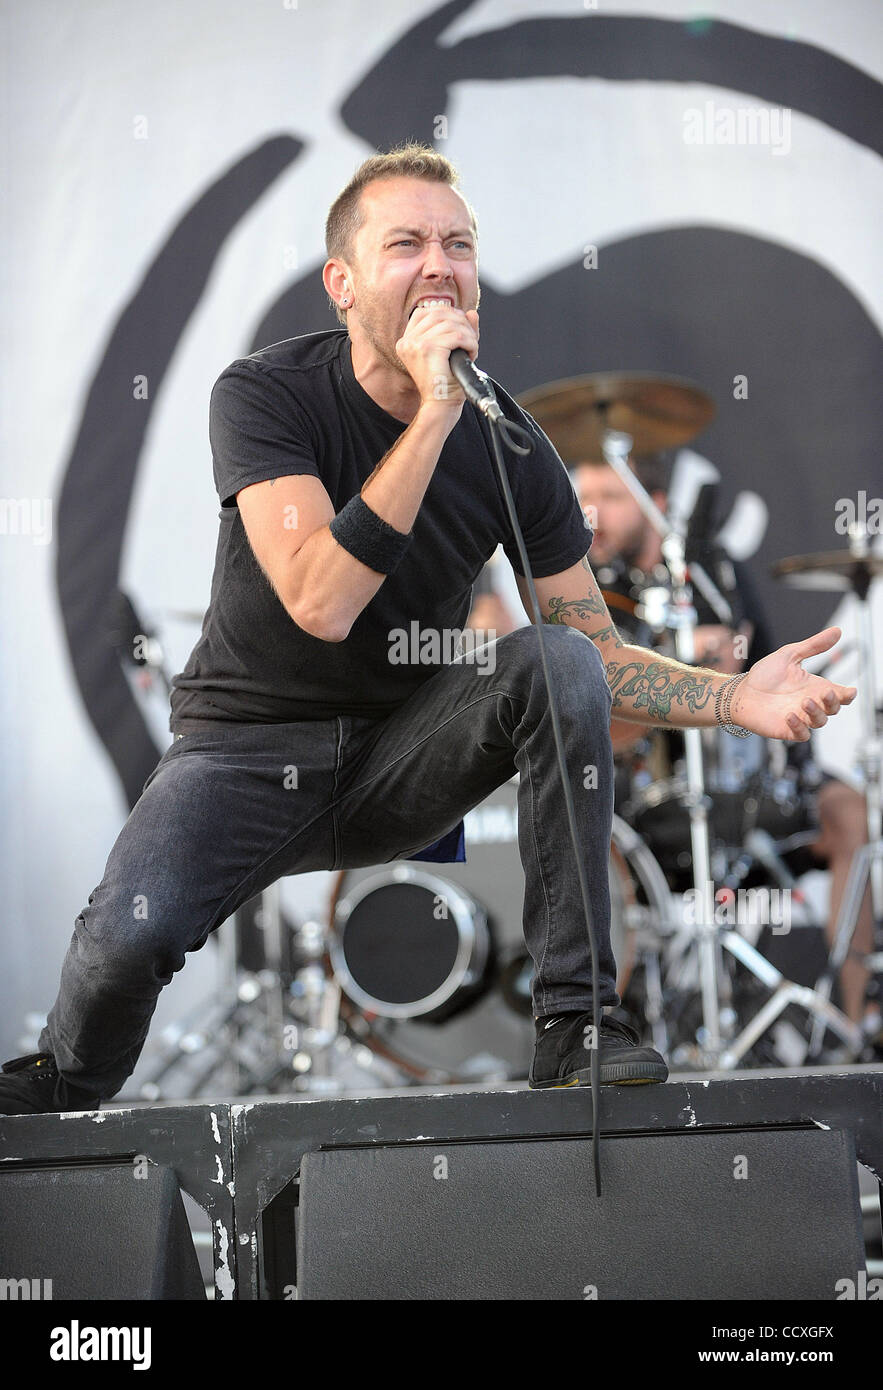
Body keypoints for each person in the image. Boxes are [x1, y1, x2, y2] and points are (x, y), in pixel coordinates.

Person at [0, 145, 857, 1114]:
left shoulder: (511, 444)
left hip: (401, 761)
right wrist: (433, 414)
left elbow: (596, 659)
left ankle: (575, 1019)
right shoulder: (265, 394)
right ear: (343, 282)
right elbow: (321, 600)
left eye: (457, 243)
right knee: (124, 944)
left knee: (554, 658)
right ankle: (60, 1109)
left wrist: (735, 696)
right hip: (242, 753)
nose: (439, 263)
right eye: (405, 242)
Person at [572, 453, 876, 1029]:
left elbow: (732, 655)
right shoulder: (582, 585)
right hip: (632, 801)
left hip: (739, 781)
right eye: (584, 498)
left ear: (654, 503)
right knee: (565, 819)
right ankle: (600, 1022)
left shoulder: (708, 567)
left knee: (849, 814)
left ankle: (852, 1024)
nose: (593, 514)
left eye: (610, 497)